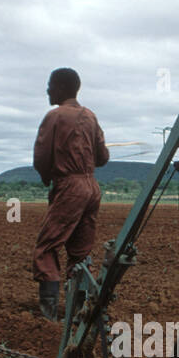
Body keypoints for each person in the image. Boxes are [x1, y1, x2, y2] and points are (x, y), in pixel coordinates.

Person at [31, 67, 109, 320]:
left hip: (69, 188)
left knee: (47, 248)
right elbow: (103, 158)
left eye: (50, 85)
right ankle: (80, 312)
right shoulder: (91, 116)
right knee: (80, 251)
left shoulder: (54, 116)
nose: (47, 90)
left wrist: (47, 177)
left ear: (62, 88)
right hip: (92, 188)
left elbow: (41, 157)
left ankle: (49, 316)